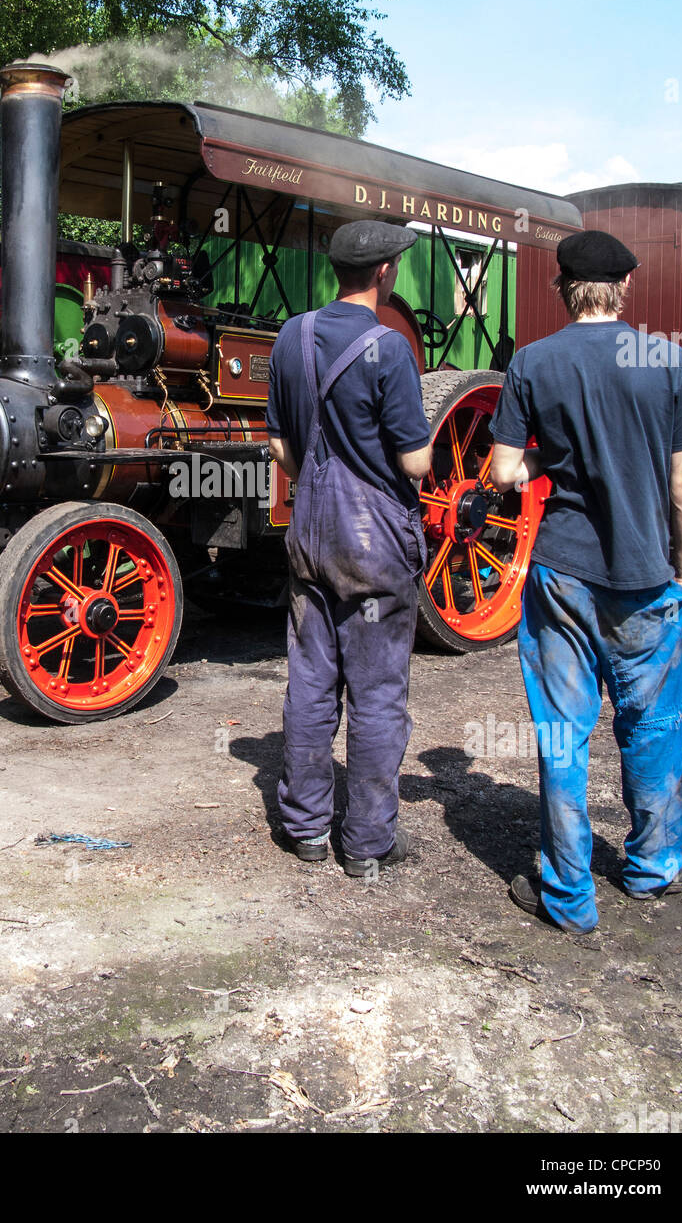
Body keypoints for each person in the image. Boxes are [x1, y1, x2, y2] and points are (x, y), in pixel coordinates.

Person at [489, 229, 682, 933]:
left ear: (562, 287)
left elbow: (503, 472)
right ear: (625, 287)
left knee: (563, 733)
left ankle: (568, 897)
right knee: (654, 726)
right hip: (647, 577)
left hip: (561, 575)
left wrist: (545, 461)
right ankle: (654, 868)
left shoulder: (532, 362)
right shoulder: (667, 360)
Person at [266, 219, 432, 876]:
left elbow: (280, 449)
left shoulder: (291, 334)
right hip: (374, 548)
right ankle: (366, 843)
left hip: (310, 534)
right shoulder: (389, 348)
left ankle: (304, 829)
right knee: (377, 693)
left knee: (310, 681)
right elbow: (415, 463)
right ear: (385, 272)